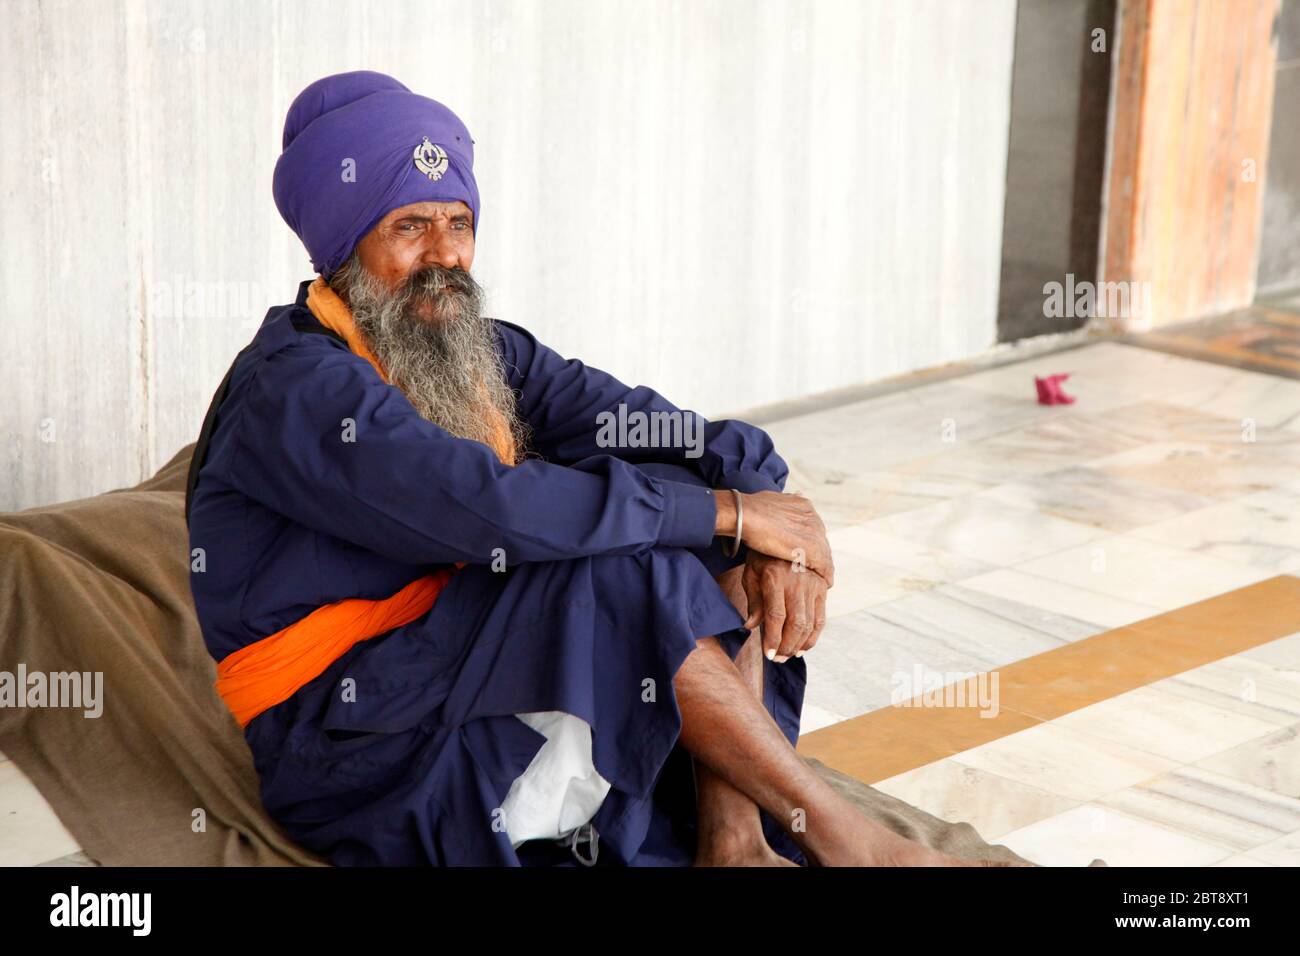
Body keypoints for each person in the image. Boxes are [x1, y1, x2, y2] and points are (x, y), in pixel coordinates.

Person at [187, 70, 1011, 867]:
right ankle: (849, 841)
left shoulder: (483, 350)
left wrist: (764, 509)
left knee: (694, 515)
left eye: (459, 223)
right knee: (631, 562)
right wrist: (728, 511)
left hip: (457, 662)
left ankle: (736, 845)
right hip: (352, 743)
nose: (446, 255)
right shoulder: (294, 388)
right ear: (343, 248)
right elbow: (486, 507)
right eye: (409, 227)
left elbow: (669, 432)